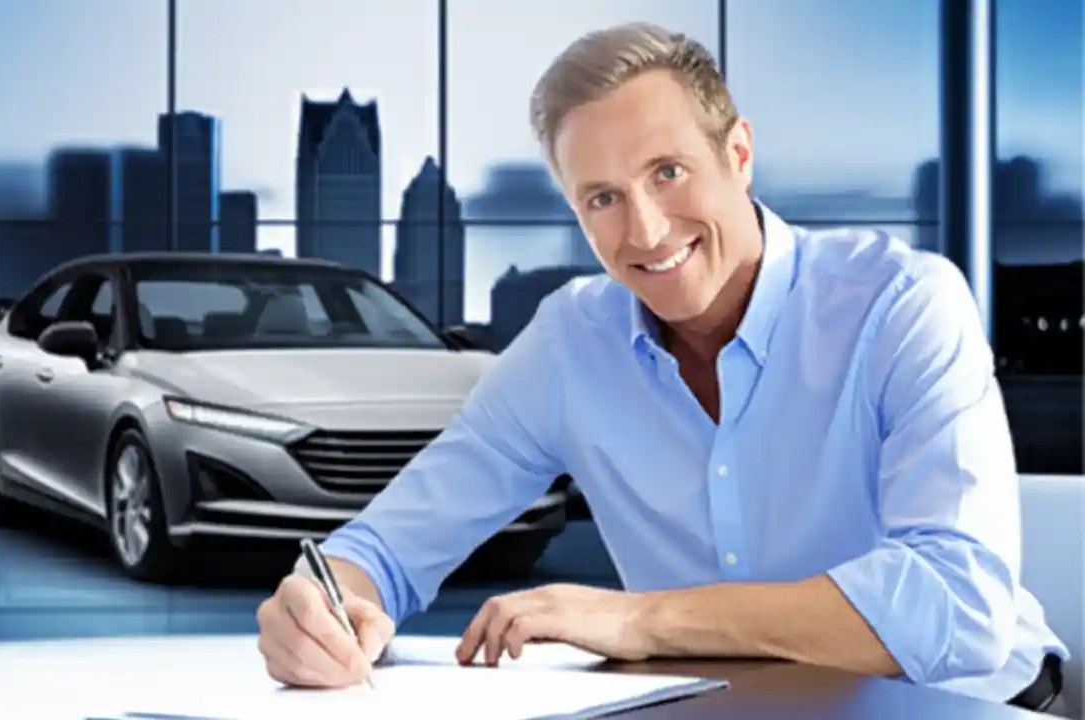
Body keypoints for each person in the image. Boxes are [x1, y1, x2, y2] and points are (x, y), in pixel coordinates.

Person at [254, 21, 1068, 709]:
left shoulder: (902, 305)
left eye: (667, 173)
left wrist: (641, 621)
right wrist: (328, 602)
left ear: (739, 153)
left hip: (968, 708)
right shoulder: (571, 343)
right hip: (714, 712)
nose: (644, 230)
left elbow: (958, 608)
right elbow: (390, 550)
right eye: (601, 198)